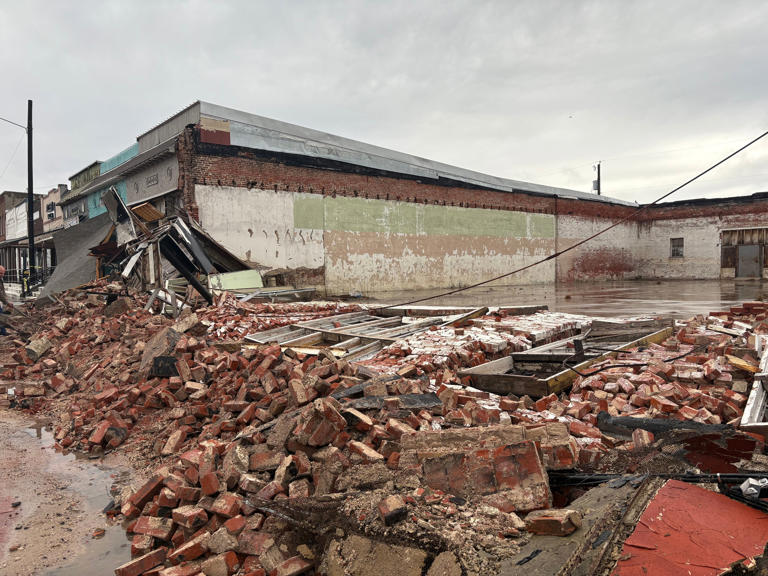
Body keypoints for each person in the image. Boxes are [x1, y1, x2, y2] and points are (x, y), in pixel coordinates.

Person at [0, 265, 13, 336]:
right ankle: (3, 331)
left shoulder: (1, 279)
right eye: (0, 273)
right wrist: (7, 303)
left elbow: (3, 292)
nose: (2, 275)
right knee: (1, 316)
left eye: (3, 273)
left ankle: (2, 331)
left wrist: (7, 301)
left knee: (1, 315)